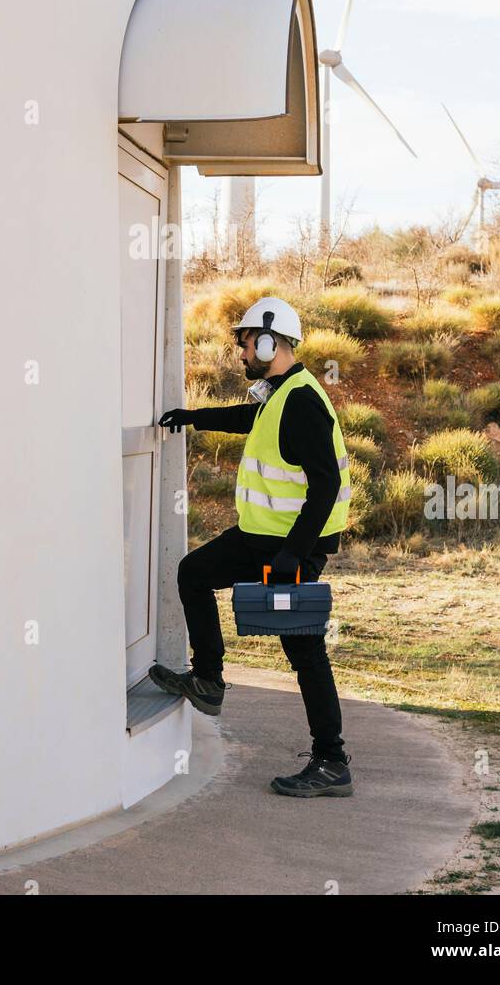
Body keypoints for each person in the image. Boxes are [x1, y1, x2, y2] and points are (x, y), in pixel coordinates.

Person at [151, 296, 354, 798]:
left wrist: (292, 555)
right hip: (262, 537)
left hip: (288, 544)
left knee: (304, 650)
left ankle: (331, 762)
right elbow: (252, 419)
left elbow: (325, 484)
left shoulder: (303, 400)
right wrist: (193, 417)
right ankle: (209, 679)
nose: (240, 353)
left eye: (244, 343)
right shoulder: (281, 394)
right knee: (193, 573)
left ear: (267, 342)